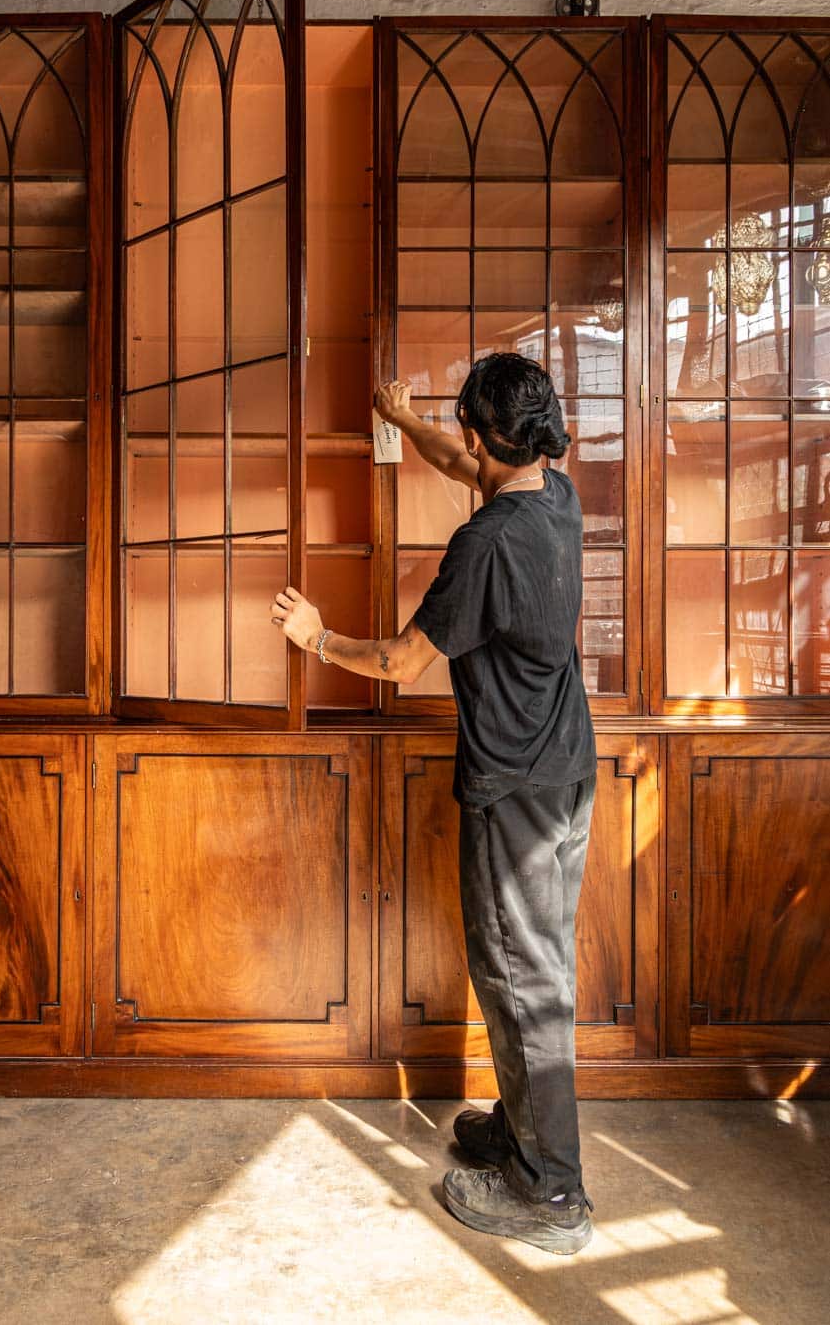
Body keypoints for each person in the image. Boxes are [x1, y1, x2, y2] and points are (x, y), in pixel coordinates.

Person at [270, 352, 597, 1256]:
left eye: (463, 434)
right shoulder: (553, 494)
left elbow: (398, 661)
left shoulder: (485, 544)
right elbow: (463, 465)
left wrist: (316, 637)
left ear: (483, 438)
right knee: (537, 969)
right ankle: (525, 1135)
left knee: (521, 978)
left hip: (515, 787)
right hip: (567, 772)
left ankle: (551, 1192)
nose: (461, 450)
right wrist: (404, 419)